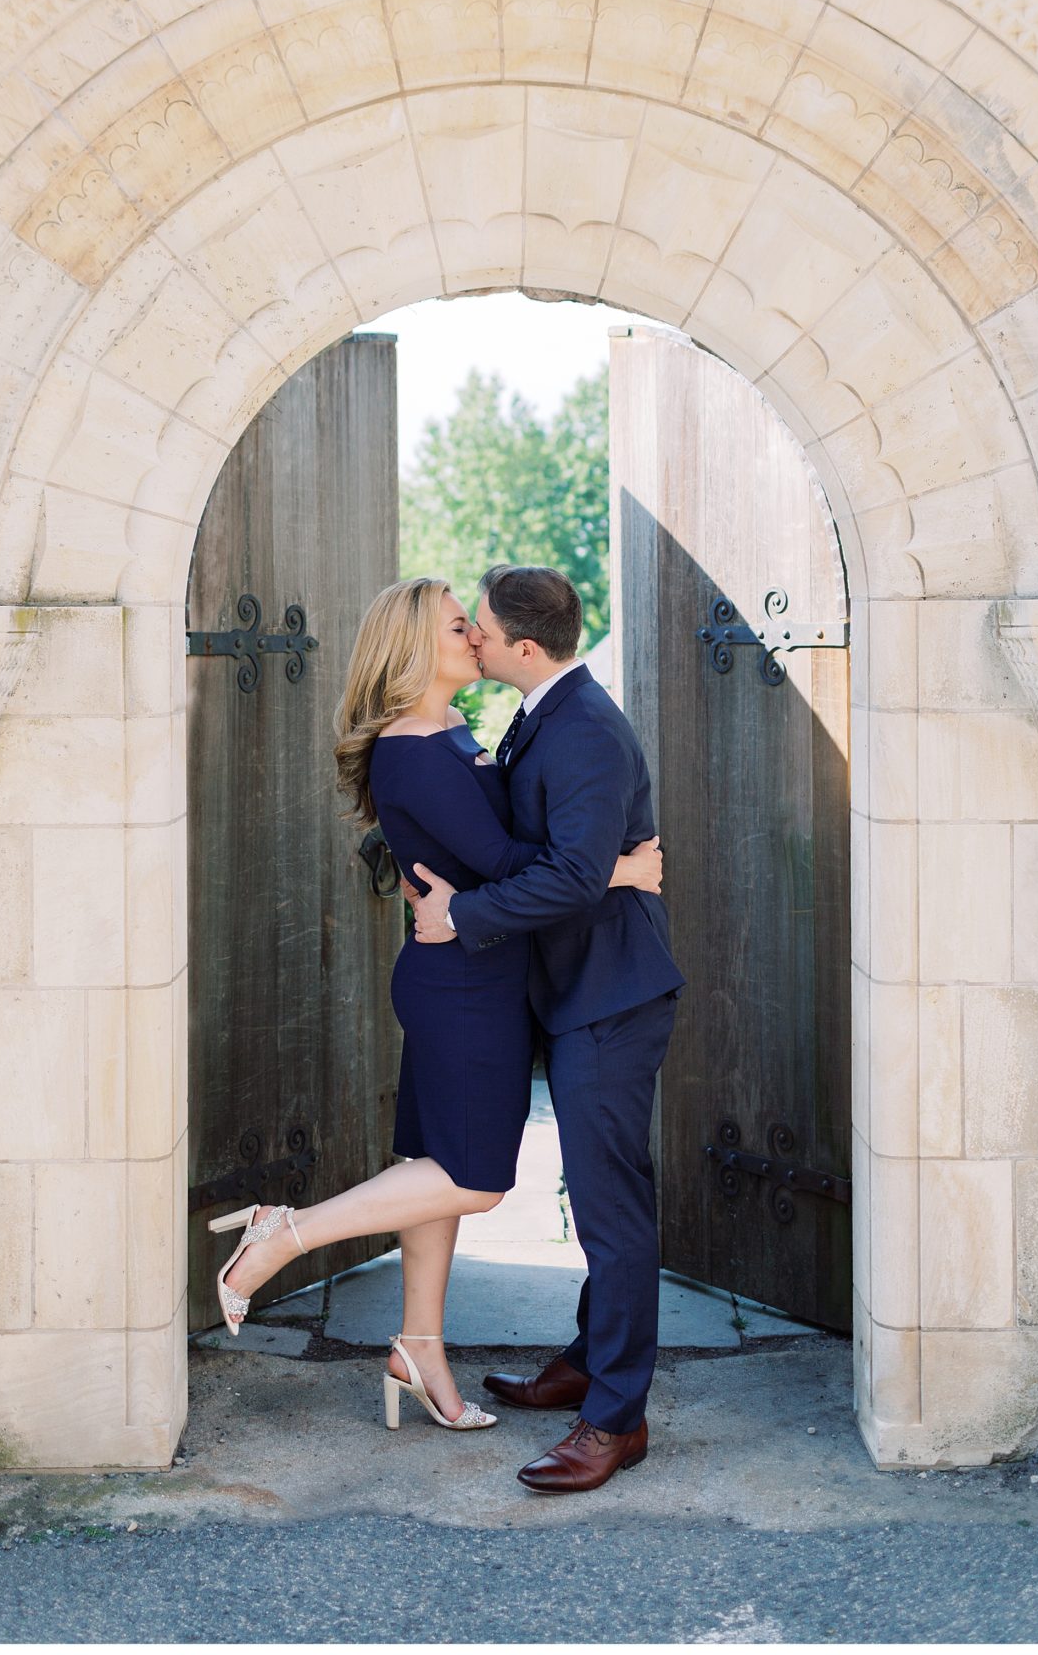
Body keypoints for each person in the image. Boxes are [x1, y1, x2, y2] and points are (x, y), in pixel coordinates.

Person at [209, 575, 664, 1435]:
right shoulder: (412, 749)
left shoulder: (454, 730)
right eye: (459, 627)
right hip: (461, 989)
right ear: (416, 648)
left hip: (480, 976)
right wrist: (616, 869)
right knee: (475, 1182)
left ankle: (420, 1349)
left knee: (433, 1178)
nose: (473, 638)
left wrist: (564, 875)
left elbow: (507, 855)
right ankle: (283, 1235)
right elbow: (504, 862)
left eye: (475, 625)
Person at [410, 563, 684, 1493]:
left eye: (480, 628)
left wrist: (463, 914)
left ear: (525, 647)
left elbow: (571, 875)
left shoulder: (587, 733)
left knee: (611, 1212)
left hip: (608, 996)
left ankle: (614, 1419)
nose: (471, 638)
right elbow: (567, 856)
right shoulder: (538, 713)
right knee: (597, 1200)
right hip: (569, 989)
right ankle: (584, 1358)